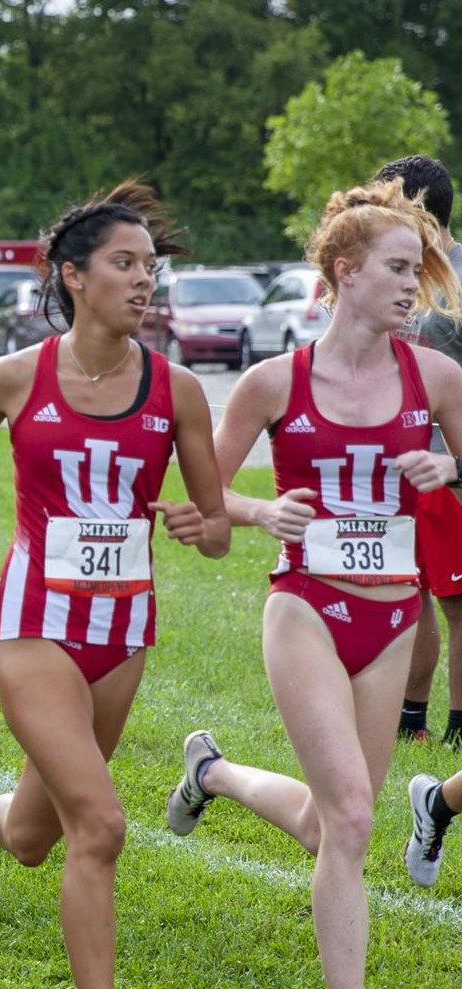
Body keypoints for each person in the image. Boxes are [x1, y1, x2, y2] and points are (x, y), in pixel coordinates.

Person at [0, 182, 227, 989]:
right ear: (74, 275)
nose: (145, 280)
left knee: (38, 833)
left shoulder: (177, 389)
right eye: (125, 263)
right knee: (101, 826)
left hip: (123, 634)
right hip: (32, 620)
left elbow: (216, 530)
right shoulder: (15, 375)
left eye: (151, 265)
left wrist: (198, 526)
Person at [166, 179, 462, 989]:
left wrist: (452, 465)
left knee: (338, 823)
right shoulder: (272, 381)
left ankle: (213, 774)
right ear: (346, 271)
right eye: (399, 268)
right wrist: (263, 510)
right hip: (306, 607)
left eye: (418, 269)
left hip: (394, 616)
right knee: (355, 816)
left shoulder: (436, 376)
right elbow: (203, 492)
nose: (413, 285)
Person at [372, 157, 462, 747]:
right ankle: (411, 719)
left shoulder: (455, 277)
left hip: (447, 471)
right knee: (408, 595)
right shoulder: (382, 267)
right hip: (385, 469)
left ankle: (456, 728)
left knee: (455, 607)